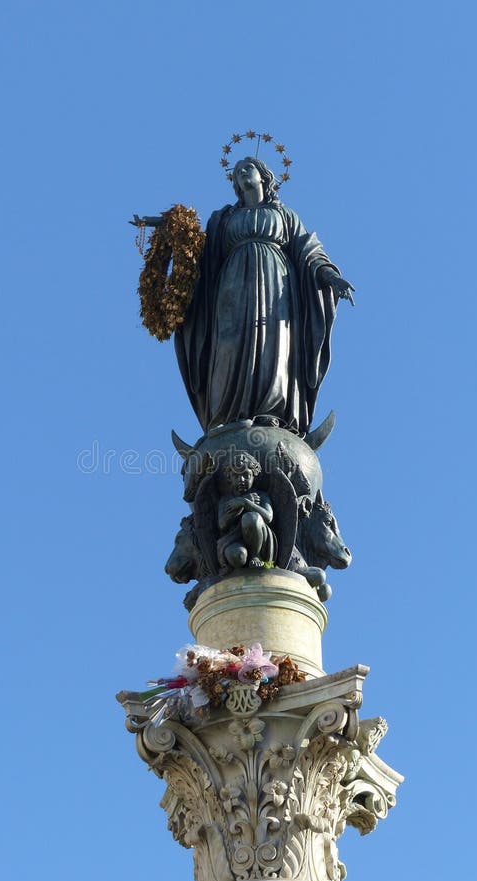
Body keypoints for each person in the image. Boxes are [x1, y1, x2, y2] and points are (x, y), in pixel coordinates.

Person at [175, 157, 353, 435]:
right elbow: (199, 256)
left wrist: (330, 276)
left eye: (248, 168)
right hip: (232, 287)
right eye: (237, 172)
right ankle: (227, 412)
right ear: (234, 184)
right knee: (229, 343)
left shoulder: (284, 215)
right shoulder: (223, 219)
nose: (242, 173)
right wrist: (171, 228)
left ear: (263, 176)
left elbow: (308, 251)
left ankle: (271, 411)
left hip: (276, 284)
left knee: (274, 342)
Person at [217, 452, 275, 572]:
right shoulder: (226, 500)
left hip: (260, 539)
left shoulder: (261, 496)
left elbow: (268, 517)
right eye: (236, 476)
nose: (241, 480)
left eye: (246, 475)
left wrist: (246, 503)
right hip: (233, 539)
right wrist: (238, 506)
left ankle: (255, 555)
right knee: (238, 556)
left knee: (251, 517)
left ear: (254, 475)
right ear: (229, 478)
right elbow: (222, 524)